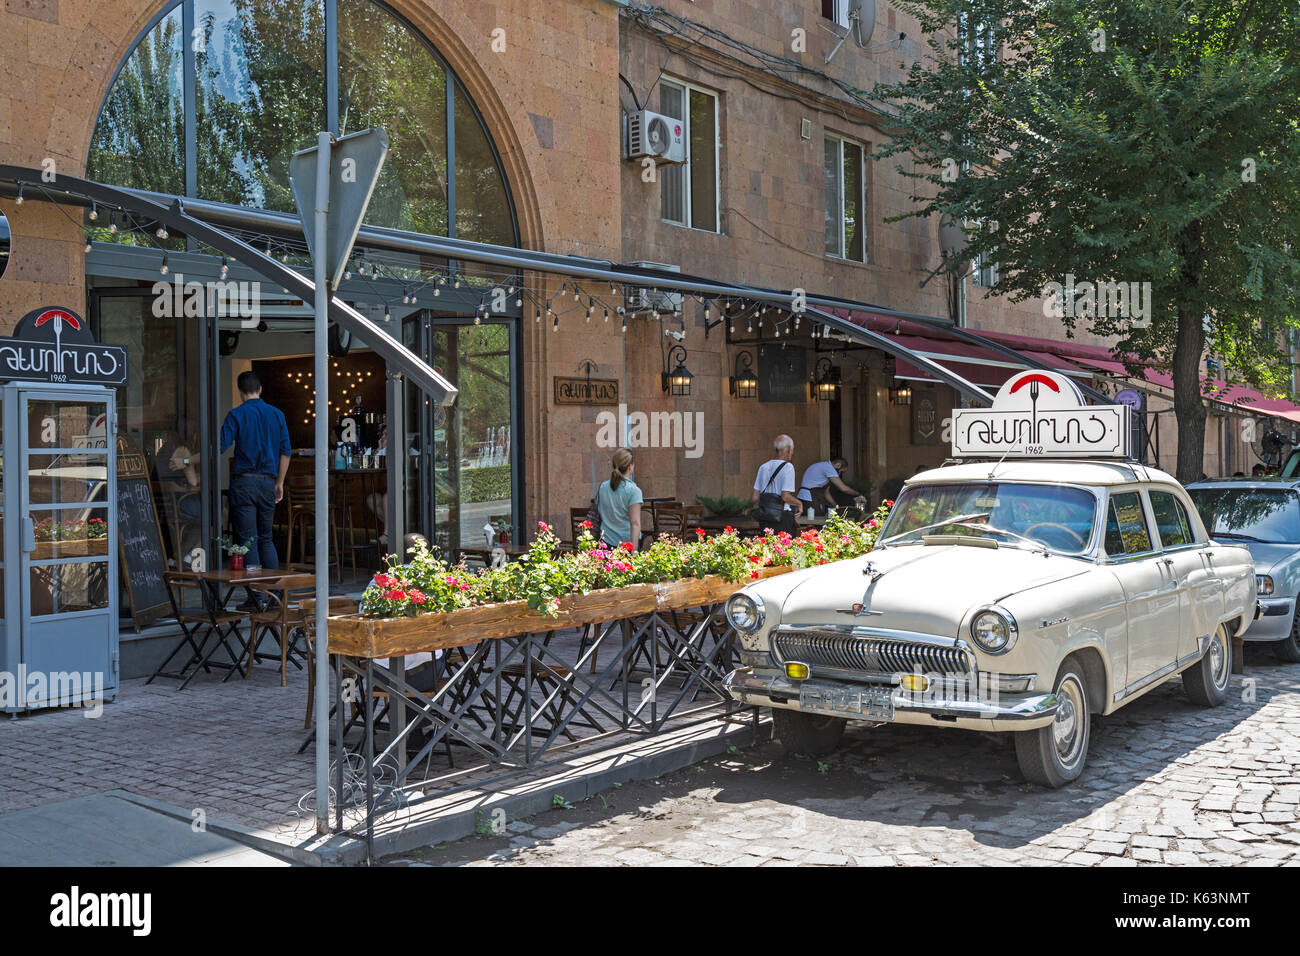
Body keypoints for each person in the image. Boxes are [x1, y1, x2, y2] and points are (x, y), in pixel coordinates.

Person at [220, 371, 291, 602]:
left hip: (244, 482)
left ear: (240, 392)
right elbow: (286, 452)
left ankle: (257, 596)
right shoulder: (277, 414)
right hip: (267, 483)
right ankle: (275, 593)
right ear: (260, 389)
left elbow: (220, 447)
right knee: (266, 538)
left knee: (248, 539)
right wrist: (279, 482)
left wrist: (190, 461)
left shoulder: (236, 414)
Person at [752, 435, 802, 535]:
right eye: (792, 450)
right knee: (784, 548)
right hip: (782, 517)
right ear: (788, 449)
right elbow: (785, 496)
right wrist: (799, 504)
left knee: (767, 548)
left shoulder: (763, 467)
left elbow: (754, 497)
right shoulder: (788, 467)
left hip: (765, 517)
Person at [595, 448, 643, 549]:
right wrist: (634, 551)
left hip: (605, 542)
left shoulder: (602, 487)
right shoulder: (634, 490)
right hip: (627, 544)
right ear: (630, 467)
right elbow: (635, 523)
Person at [798, 456, 867, 513]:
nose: (839, 474)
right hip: (809, 497)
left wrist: (836, 505)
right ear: (838, 465)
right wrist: (858, 494)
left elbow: (826, 492)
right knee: (814, 522)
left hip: (806, 497)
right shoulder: (828, 467)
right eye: (841, 472)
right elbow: (843, 488)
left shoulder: (823, 466)